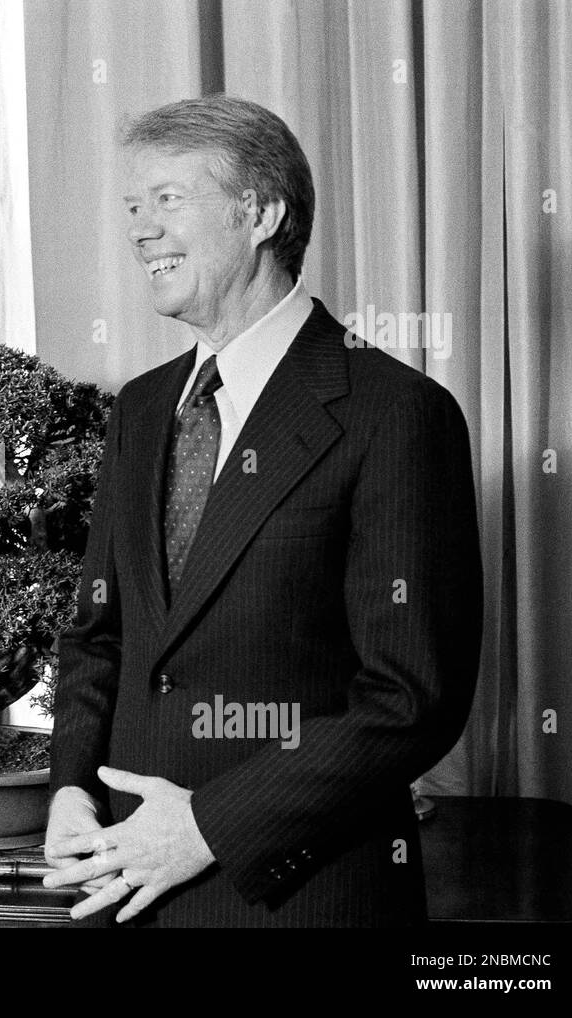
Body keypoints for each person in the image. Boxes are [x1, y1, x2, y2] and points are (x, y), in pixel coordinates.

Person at [43, 95, 482, 927]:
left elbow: (409, 698)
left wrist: (208, 827)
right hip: (123, 891)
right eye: (132, 207)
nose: (139, 230)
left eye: (168, 199)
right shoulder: (138, 410)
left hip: (299, 898)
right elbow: (97, 636)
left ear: (262, 214)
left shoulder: (394, 413)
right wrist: (69, 787)